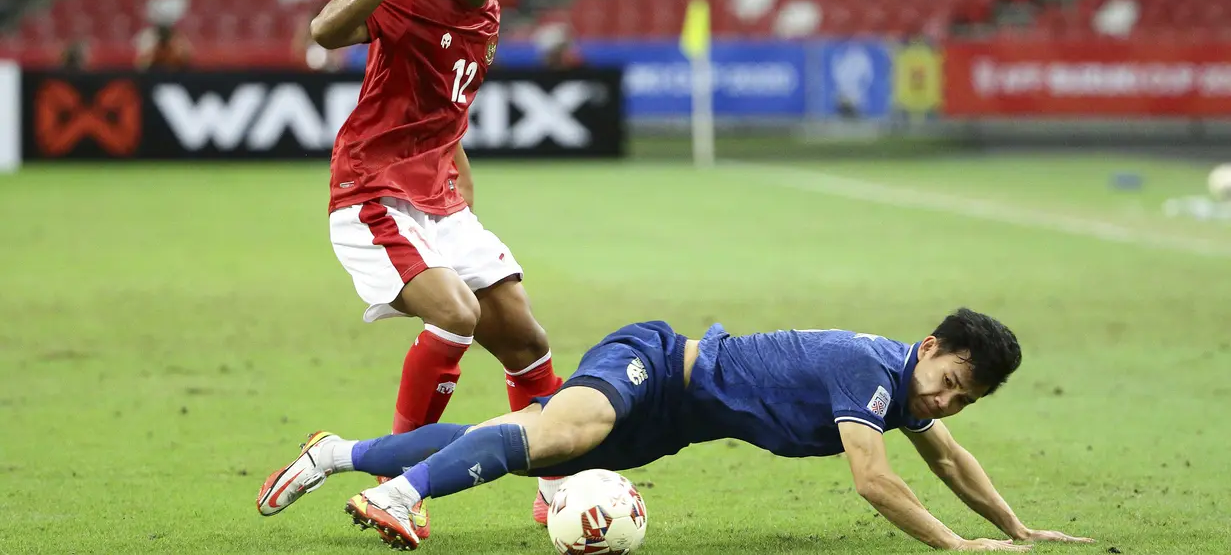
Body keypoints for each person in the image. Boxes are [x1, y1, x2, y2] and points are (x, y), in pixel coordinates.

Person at [256, 309, 1096, 552]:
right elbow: (874, 481)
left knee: (510, 443)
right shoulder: (866, 370)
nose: (946, 405)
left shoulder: (911, 396)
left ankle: (335, 455)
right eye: (948, 384)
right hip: (655, 365)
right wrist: (956, 549)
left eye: (964, 399)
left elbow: (947, 460)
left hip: (672, 423)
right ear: (928, 349)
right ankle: (397, 495)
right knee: (547, 443)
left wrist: (1014, 529)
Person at [304, 0, 562, 536]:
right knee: (455, 313)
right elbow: (323, 32)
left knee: (526, 341)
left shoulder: (491, 11)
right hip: (372, 194)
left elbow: (446, 117)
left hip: (440, 205)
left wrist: (460, 194)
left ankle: (557, 485)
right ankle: (397, 489)